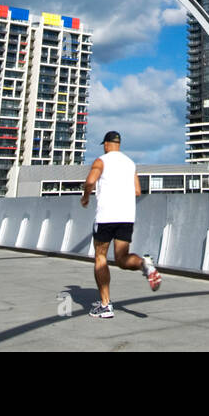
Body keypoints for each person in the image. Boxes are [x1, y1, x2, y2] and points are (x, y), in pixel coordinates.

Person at [80, 131, 160, 318]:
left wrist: (85, 197)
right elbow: (138, 191)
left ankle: (106, 305)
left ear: (107, 144)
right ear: (119, 144)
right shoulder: (130, 163)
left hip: (106, 216)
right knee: (122, 258)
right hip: (126, 216)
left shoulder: (101, 161)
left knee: (100, 257)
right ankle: (144, 264)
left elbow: (90, 181)